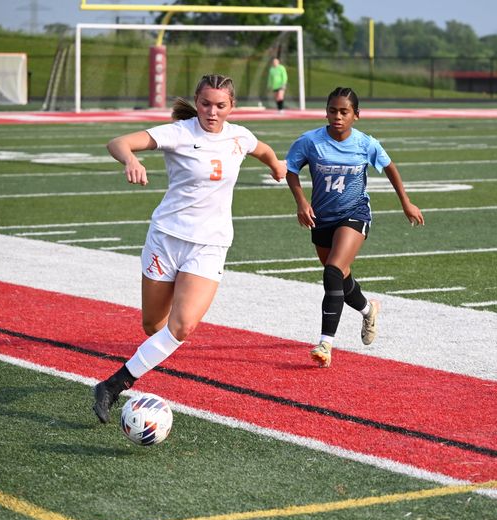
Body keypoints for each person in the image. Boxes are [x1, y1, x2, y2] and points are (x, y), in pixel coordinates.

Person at [93, 73, 287, 423]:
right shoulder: (179, 133)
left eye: (220, 106)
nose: (212, 112)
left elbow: (263, 150)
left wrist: (276, 165)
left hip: (210, 244)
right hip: (166, 238)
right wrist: (131, 160)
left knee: (182, 327)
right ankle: (150, 352)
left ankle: (112, 384)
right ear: (196, 103)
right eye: (206, 104)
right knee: (153, 325)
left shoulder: (239, 136)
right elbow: (118, 142)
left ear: (232, 107)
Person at [284, 87, 424, 368]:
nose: (337, 116)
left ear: (356, 116)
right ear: (326, 112)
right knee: (341, 279)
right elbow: (291, 170)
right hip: (322, 217)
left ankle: (326, 343)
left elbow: (390, 168)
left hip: (355, 213)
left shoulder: (365, 143)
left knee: (333, 270)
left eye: (344, 112)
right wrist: (301, 202)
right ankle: (368, 309)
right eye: (333, 110)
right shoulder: (310, 142)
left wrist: (406, 203)